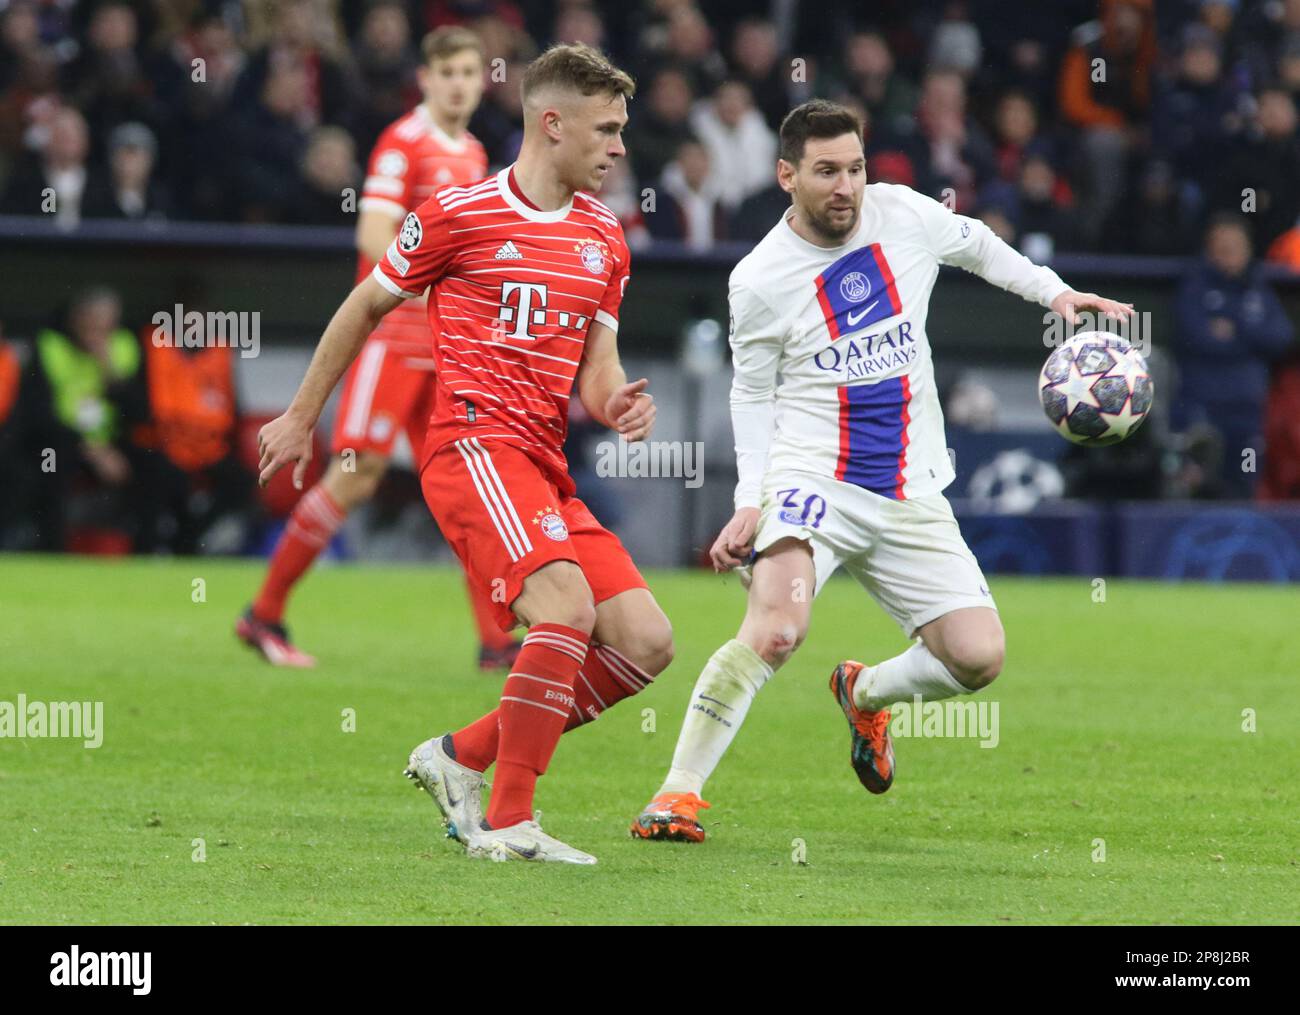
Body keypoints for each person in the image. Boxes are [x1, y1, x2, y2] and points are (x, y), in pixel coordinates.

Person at [629, 100, 1135, 843]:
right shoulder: (760, 278)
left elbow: (978, 246)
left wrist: (1053, 292)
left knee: (977, 656)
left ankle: (865, 691)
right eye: (827, 171)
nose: (846, 186)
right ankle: (676, 793)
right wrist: (748, 500)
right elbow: (750, 391)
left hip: (909, 486)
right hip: (812, 482)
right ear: (787, 176)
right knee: (776, 628)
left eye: (856, 168)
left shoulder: (902, 214)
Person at [256, 43, 675, 865]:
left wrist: (615, 402)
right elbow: (365, 302)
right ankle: (512, 822)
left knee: (647, 639)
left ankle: (462, 756)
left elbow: (598, 370)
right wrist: (304, 414)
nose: (621, 146)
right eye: (609, 129)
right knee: (564, 608)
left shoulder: (605, 240)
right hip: (474, 445)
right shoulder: (460, 212)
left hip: (544, 462)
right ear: (553, 124)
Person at [237, 26, 519, 670]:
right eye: (446, 72)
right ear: (424, 79)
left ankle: (494, 641)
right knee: (357, 476)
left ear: (482, 81)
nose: (458, 84)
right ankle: (264, 612)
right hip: (391, 340)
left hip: (442, 350)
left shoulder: (474, 153)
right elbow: (373, 234)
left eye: (469, 73)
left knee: (460, 488)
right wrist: (432, 287)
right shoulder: (404, 142)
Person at [1172, 214, 1296, 498]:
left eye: (1236, 247)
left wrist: (1236, 326)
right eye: (1222, 248)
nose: (1230, 255)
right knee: (1196, 485)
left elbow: (1280, 338)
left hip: (1248, 412)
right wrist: (1251, 336)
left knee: (1246, 483)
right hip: (1201, 408)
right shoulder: (1195, 286)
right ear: (1210, 250)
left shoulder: (1259, 289)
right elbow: (1199, 338)